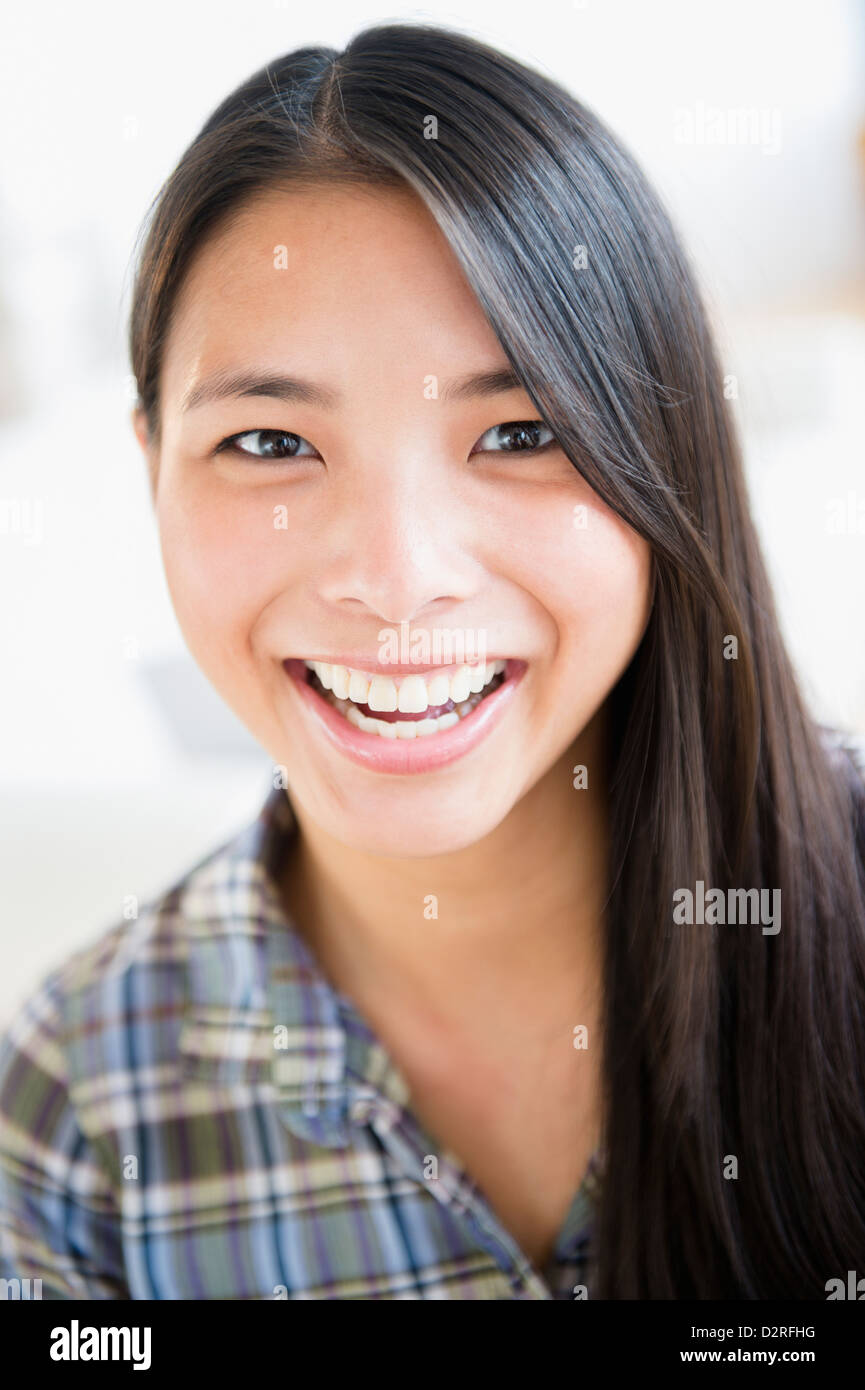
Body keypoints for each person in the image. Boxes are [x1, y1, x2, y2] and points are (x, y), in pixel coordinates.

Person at [2, 22, 864, 1301]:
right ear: (151, 474)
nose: (398, 580)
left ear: (664, 454)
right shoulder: (73, 1121)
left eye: (518, 430)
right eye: (268, 443)